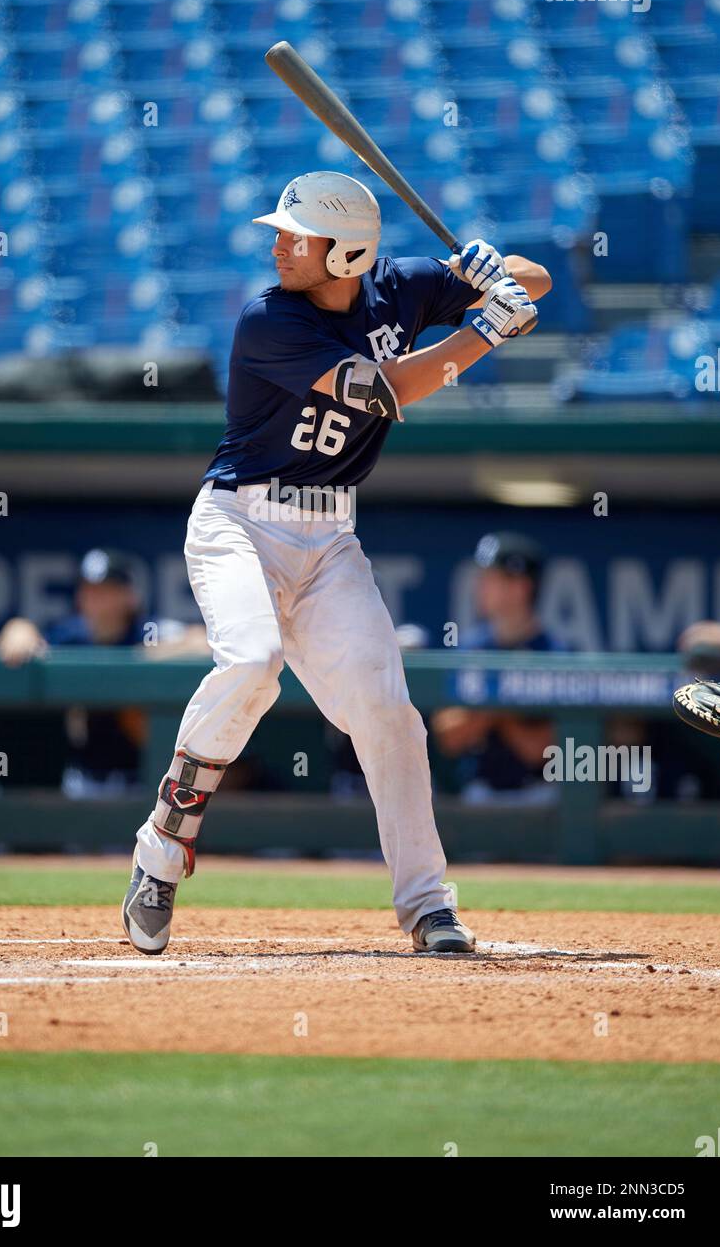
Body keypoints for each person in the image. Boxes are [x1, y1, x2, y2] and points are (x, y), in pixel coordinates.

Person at [122, 170, 551, 956]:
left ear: (347, 253)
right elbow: (389, 391)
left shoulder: (405, 289)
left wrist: (496, 272)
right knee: (252, 663)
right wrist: (487, 329)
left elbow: (539, 280)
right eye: (283, 232)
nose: (280, 245)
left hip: (330, 542)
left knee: (389, 715)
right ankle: (161, 849)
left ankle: (428, 907)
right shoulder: (267, 321)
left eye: (297, 236)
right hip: (238, 523)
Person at [0, 548, 207, 796]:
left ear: (129, 596)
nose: (95, 599)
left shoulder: (146, 630)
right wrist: (19, 627)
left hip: (141, 778)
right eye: (89, 590)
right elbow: (26, 640)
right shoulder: (74, 635)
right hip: (83, 779)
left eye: (107, 590)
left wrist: (137, 660)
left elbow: (200, 641)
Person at [431, 532, 560, 805]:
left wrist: (487, 706)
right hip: (480, 793)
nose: (481, 587)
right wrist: (502, 696)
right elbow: (449, 736)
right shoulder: (472, 647)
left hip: (540, 796)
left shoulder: (552, 651)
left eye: (492, 579)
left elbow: (540, 750)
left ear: (521, 588)